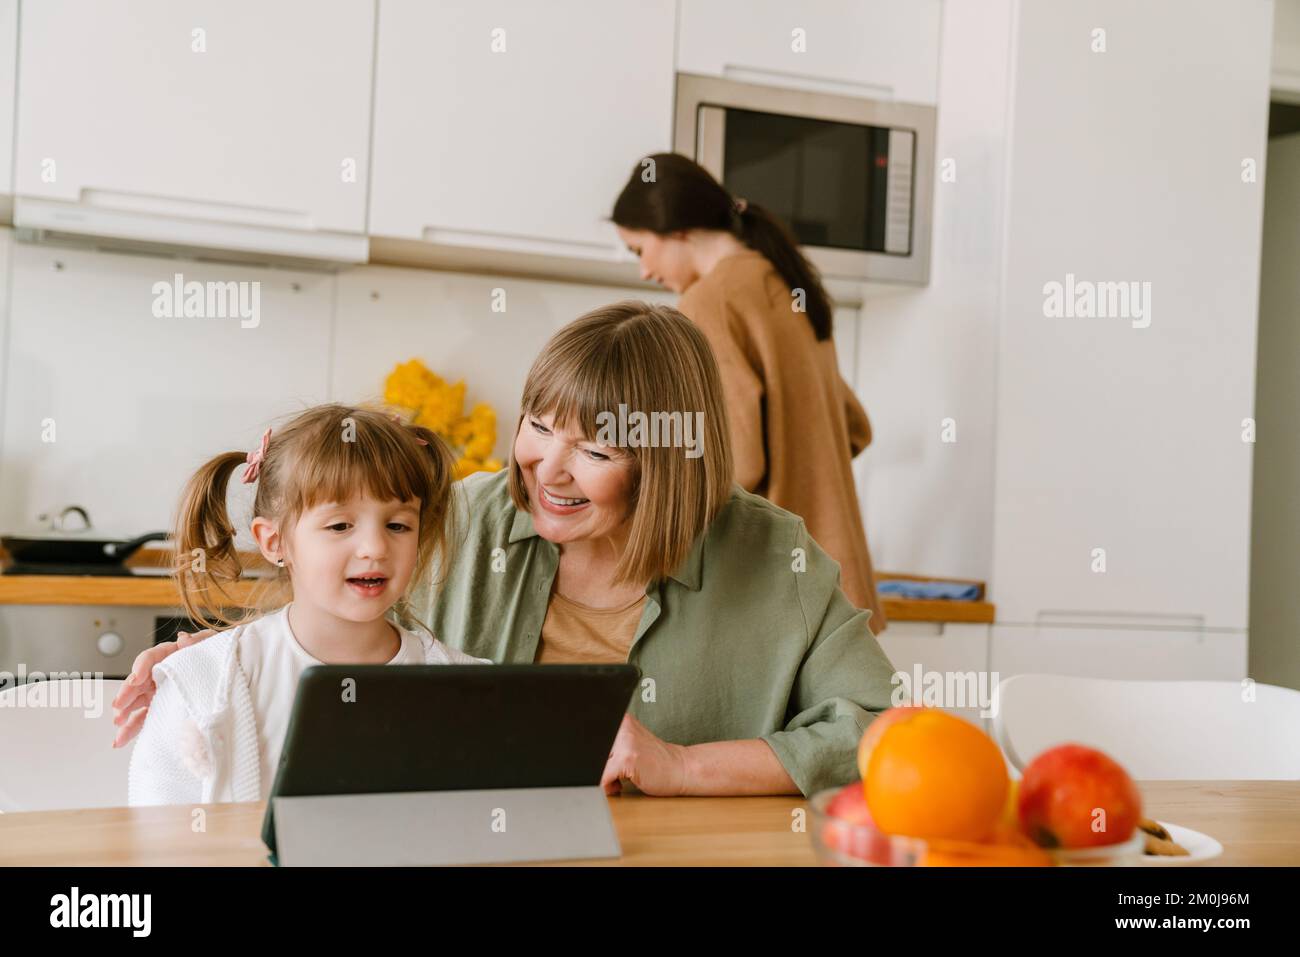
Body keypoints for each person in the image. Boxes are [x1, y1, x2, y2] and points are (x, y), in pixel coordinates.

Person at [117, 304, 895, 798]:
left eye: (593, 449)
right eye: (538, 425)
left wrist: (685, 767)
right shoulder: (467, 515)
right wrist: (221, 663)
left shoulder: (769, 555)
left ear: (666, 461)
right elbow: (353, 615)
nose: (545, 467)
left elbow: (879, 732)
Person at [127, 404, 486, 805]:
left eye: (398, 525)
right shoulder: (202, 684)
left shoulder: (470, 690)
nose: (375, 548)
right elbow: (157, 839)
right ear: (274, 541)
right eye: (340, 526)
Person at [612, 153, 886, 629]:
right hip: (838, 582)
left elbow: (737, 458)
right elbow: (856, 427)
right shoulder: (785, 281)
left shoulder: (708, 301)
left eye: (639, 249)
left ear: (675, 229)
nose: (644, 272)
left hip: (774, 588)